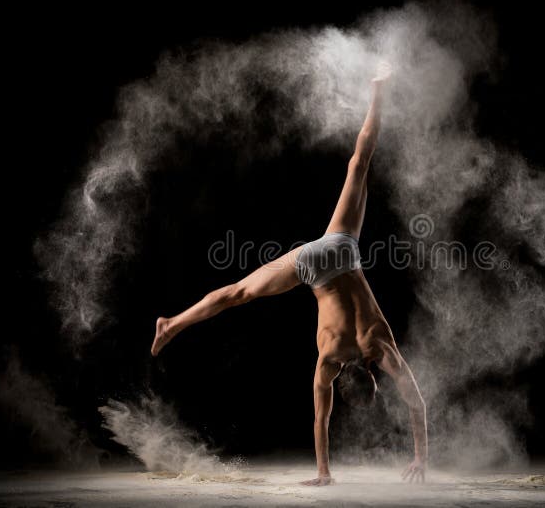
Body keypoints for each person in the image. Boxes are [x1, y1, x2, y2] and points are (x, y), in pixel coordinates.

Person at [151, 65, 427, 485]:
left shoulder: (379, 345)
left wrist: (418, 458)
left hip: (338, 249)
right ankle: (171, 325)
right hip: (316, 268)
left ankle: (378, 90)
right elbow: (323, 419)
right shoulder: (331, 360)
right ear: (346, 378)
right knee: (239, 294)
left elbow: (414, 402)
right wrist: (326, 473)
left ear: (371, 375)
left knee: (359, 163)